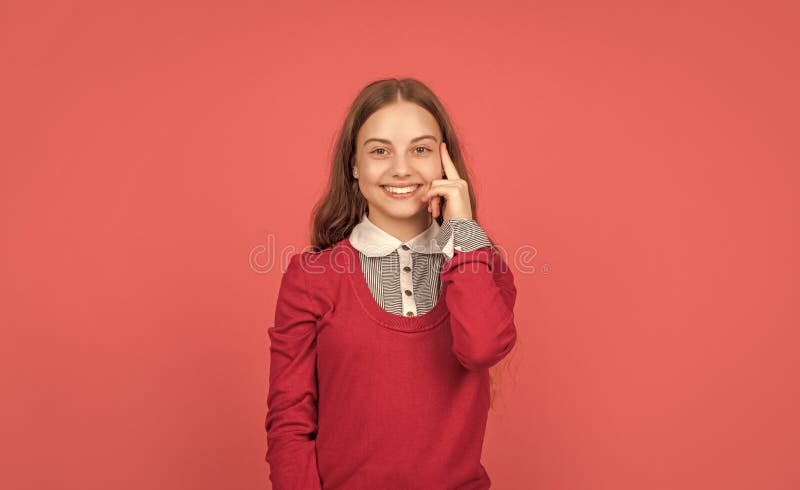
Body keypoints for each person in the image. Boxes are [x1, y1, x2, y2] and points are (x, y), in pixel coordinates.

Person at [265, 78, 518, 489]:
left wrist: (463, 231)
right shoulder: (310, 278)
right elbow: (289, 424)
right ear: (354, 165)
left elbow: (482, 347)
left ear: (444, 163)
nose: (401, 168)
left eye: (420, 150)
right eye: (380, 151)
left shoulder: (481, 268)